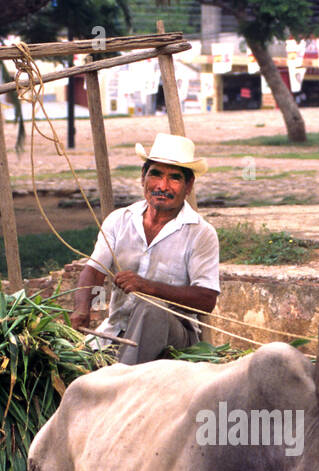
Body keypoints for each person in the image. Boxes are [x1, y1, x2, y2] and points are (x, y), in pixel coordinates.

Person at [70, 133, 219, 364]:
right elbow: (94, 271)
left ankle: (121, 380)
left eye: (174, 178)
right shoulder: (119, 220)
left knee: (153, 309)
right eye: (156, 174)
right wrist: (83, 308)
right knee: (70, 364)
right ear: (143, 177)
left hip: (175, 336)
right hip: (117, 329)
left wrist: (149, 287)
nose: (162, 186)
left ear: (188, 186)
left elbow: (207, 299)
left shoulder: (200, 233)